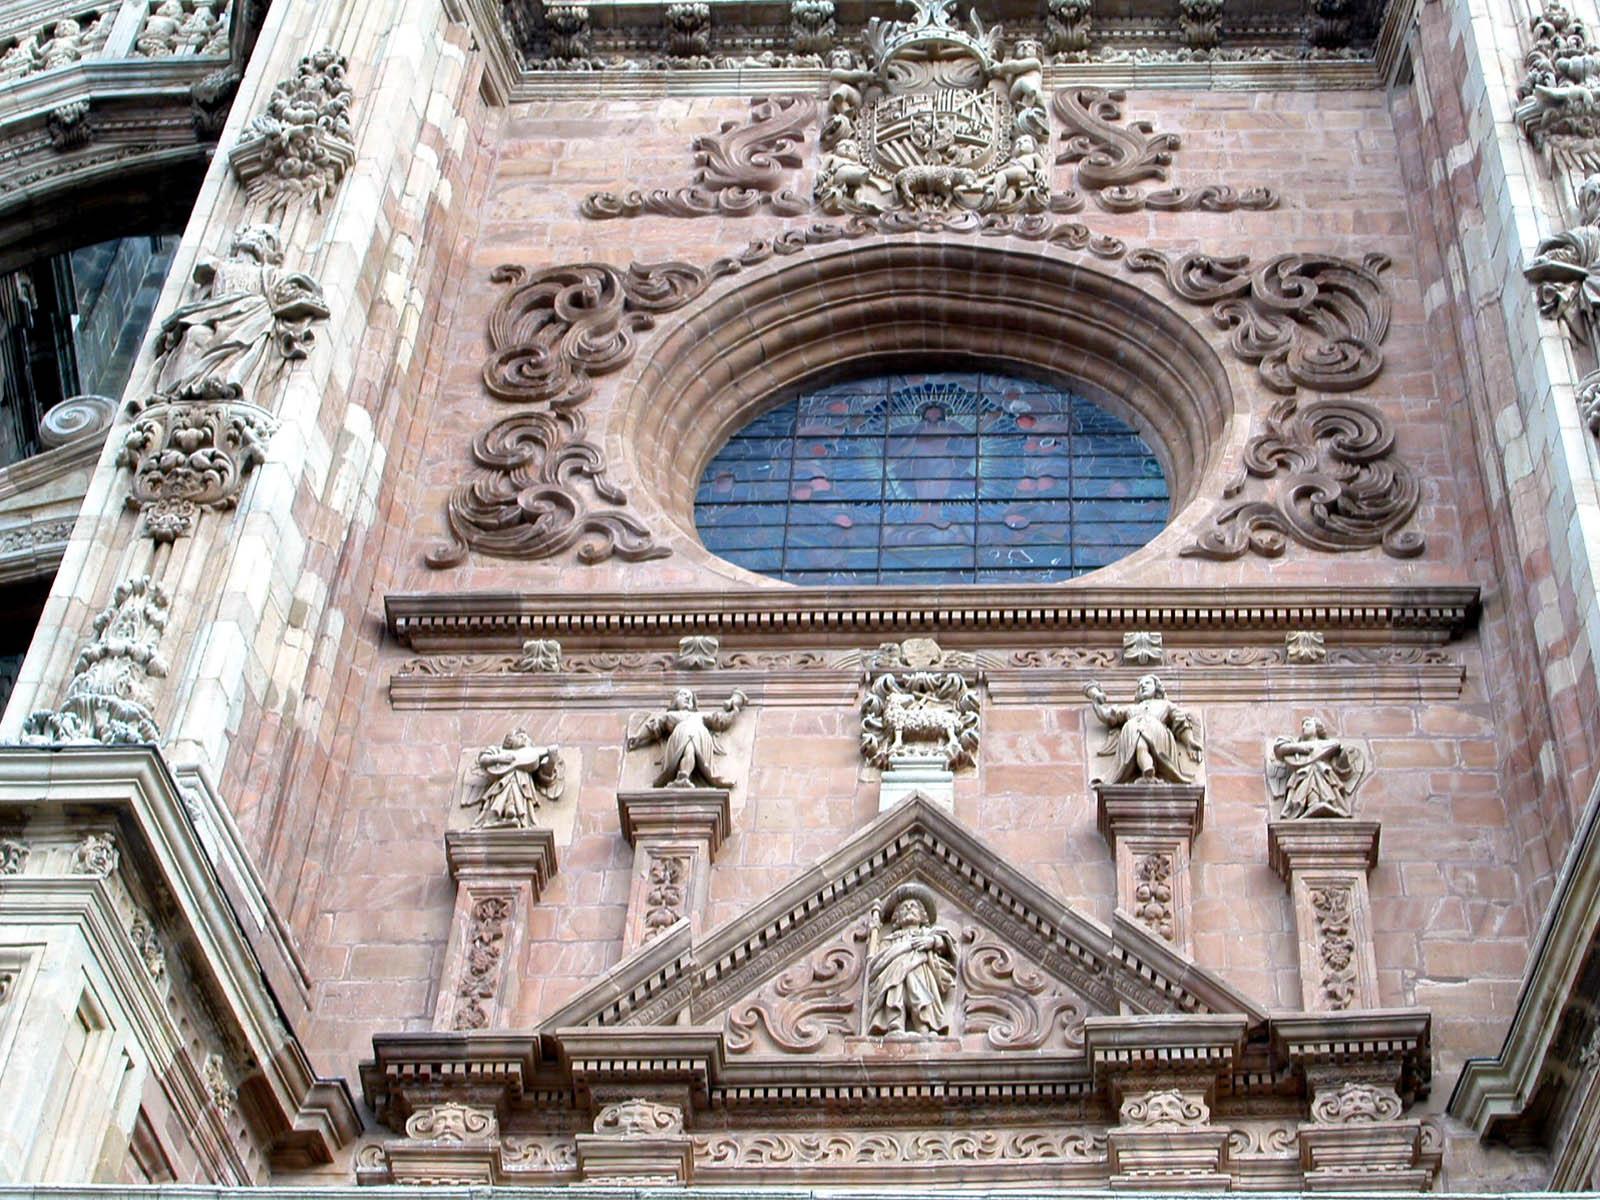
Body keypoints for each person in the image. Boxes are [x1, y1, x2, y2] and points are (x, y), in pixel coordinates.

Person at [151, 224, 329, 403]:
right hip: (215, 321)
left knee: (262, 313)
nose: (258, 238)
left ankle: (222, 380)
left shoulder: (270, 274)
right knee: (194, 334)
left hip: (247, 327)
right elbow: (202, 267)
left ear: (273, 254)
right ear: (240, 239)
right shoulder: (219, 266)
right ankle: (178, 391)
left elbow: (310, 289)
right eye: (255, 233)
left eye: (267, 239)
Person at [865, 885, 957, 1035]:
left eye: (913, 906)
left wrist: (932, 942)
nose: (908, 909)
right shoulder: (890, 939)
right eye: (904, 908)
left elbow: (946, 943)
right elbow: (880, 960)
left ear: (922, 915)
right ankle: (895, 1024)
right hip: (894, 976)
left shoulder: (928, 933)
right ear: (897, 917)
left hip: (921, 972)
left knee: (920, 995)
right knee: (894, 989)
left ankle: (923, 1027)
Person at [1084, 674, 1202, 783]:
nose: (1143, 687)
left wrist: (1189, 741)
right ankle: (1147, 771)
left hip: (1155, 730)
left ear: (1157, 688)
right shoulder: (1131, 709)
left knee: (1141, 742)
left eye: (1147, 683)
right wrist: (1095, 697)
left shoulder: (1165, 705)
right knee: (1140, 745)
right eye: (1140, 686)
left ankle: (1148, 770)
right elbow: (1108, 716)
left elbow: (1180, 720)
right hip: (1133, 731)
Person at [627, 687, 748, 788]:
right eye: (683, 695)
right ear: (675, 701)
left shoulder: (701, 715)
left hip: (699, 736)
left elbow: (721, 720)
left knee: (690, 744)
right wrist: (638, 738)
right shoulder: (670, 715)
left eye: (689, 697)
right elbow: (653, 725)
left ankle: (686, 776)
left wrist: (735, 709)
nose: (687, 698)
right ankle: (684, 775)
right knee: (688, 744)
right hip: (681, 735)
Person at [1267, 716, 1365, 819]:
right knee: (1308, 770)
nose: (1304, 727)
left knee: (1318, 767)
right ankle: (1311, 803)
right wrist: (1300, 748)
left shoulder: (1328, 744)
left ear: (1317, 728)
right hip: (1303, 774)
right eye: (1303, 726)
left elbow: (1340, 766)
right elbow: (1279, 749)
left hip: (1324, 773)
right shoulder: (1297, 746)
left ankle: (1329, 802)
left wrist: (1344, 756)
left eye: (1308, 724)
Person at [468, 731, 563, 829]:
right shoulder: (498, 750)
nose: (524, 739)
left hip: (522, 783)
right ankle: (497, 814)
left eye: (526, 739)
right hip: (502, 781)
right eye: (520, 737)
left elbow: (545, 776)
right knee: (507, 782)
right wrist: (499, 759)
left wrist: (551, 761)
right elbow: (483, 760)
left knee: (518, 777)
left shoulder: (530, 757)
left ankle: (515, 812)